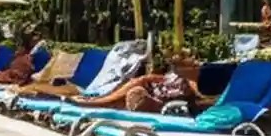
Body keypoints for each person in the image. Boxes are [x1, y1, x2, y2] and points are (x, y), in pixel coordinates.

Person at [71, 53, 200, 112]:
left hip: (158, 99)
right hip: (152, 90)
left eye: (186, 58)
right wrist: (149, 77)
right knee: (137, 84)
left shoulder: (193, 77)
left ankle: (98, 102)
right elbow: (162, 79)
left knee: (136, 92)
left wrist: (188, 75)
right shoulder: (175, 72)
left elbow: (198, 93)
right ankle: (99, 102)